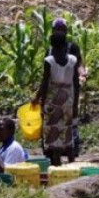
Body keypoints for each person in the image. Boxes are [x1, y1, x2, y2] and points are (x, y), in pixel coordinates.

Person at [35, 32, 80, 165]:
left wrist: (39, 100)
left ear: (52, 47)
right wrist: (75, 104)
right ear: (66, 46)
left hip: (53, 100)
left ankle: (57, 165)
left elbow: (45, 83)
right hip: (68, 99)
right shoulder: (73, 60)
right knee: (67, 130)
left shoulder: (49, 61)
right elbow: (76, 83)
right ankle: (72, 164)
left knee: (53, 131)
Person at [51, 17, 86, 156]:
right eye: (57, 30)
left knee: (72, 115)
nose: (59, 32)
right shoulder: (50, 50)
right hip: (54, 89)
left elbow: (79, 64)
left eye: (62, 30)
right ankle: (58, 147)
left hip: (71, 87)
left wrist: (82, 73)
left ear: (66, 31)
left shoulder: (72, 48)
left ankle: (72, 146)